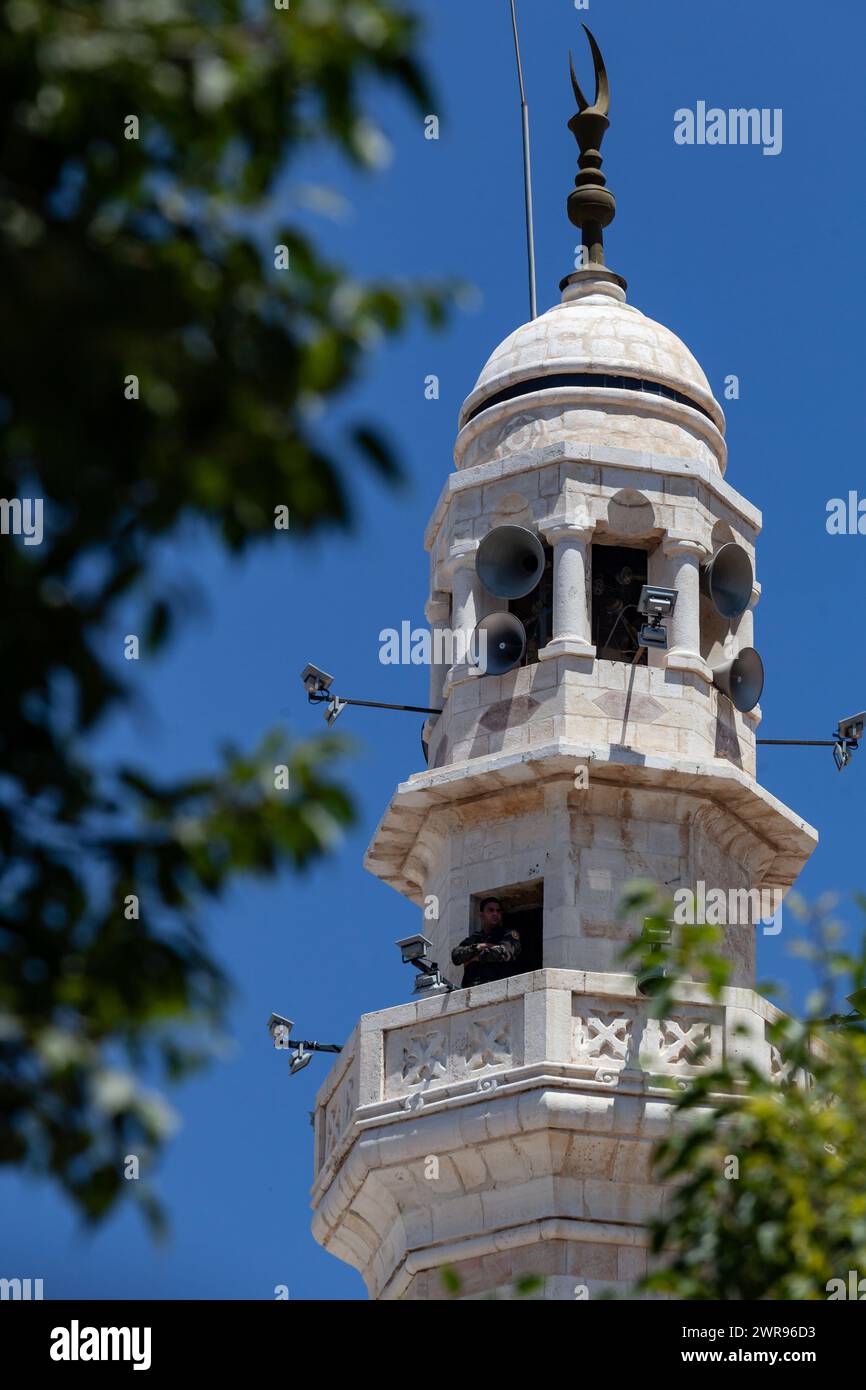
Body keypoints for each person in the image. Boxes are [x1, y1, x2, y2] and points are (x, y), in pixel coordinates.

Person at [451, 898, 521, 989]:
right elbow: (456, 956)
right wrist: (479, 946)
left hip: (497, 987)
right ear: (481, 915)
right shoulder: (474, 938)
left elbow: (503, 953)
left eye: (498, 911)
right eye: (491, 910)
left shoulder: (508, 935)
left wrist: (476, 957)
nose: (495, 913)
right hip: (470, 988)